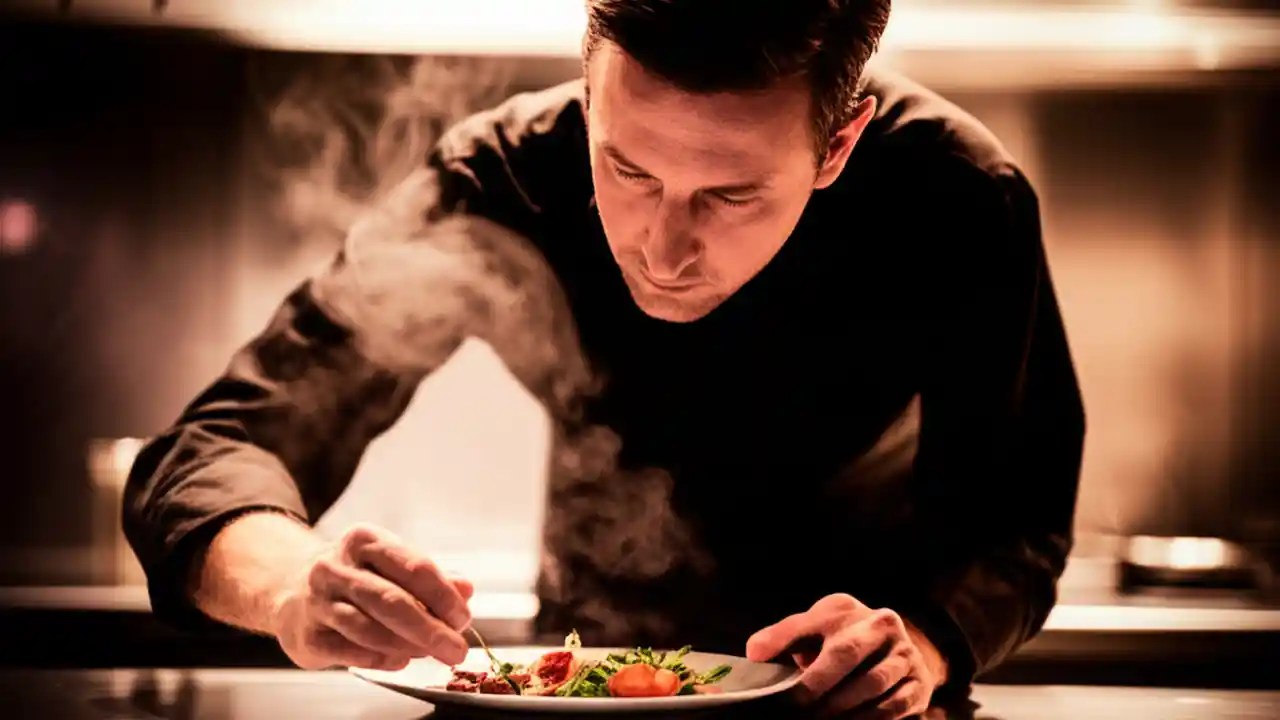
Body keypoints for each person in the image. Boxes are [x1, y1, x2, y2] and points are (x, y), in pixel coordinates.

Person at [123, 1, 1086, 718]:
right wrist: (296, 583)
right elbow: (213, 450)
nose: (662, 252)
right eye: (627, 170)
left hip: (856, 700)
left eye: (732, 195)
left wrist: (917, 644)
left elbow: (1019, 523)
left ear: (837, 148)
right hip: (571, 691)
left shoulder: (958, 198)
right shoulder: (499, 178)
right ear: (588, 97)